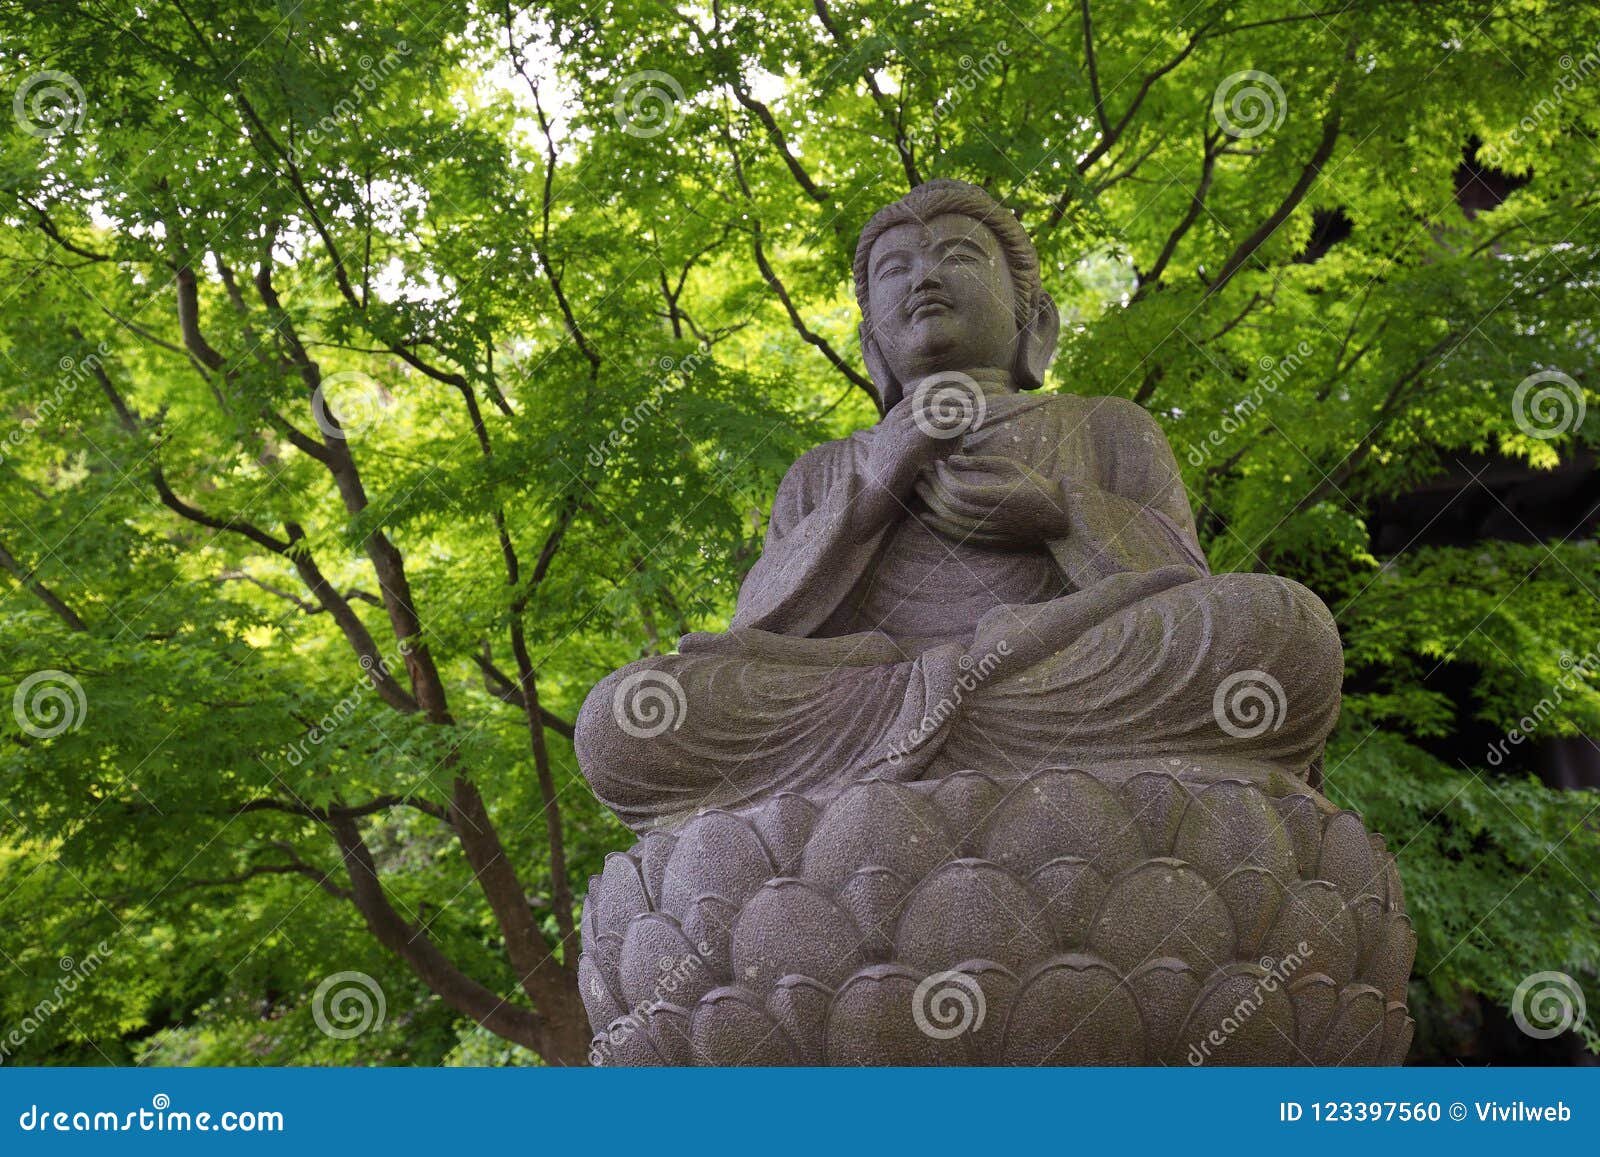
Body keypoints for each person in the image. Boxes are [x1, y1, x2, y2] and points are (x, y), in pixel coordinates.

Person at [576, 180, 1341, 832]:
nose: (924, 280)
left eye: (959, 257)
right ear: (872, 343)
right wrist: (871, 491)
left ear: (1034, 320)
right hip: (858, 700)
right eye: (895, 269)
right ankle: (960, 744)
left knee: (1278, 631)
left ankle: (913, 761)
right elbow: (756, 631)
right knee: (632, 714)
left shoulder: (1106, 426)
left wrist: (1058, 511)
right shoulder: (825, 471)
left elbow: (1184, 587)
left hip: (1058, 676)